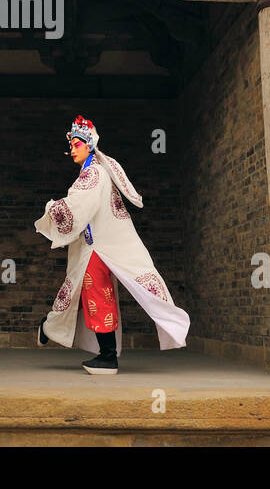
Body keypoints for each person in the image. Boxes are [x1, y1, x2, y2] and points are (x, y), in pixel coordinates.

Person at [34, 116, 190, 374]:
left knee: (95, 296)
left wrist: (52, 208)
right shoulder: (96, 171)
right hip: (96, 246)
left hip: (99, 248)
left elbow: (77, 204)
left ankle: (107, 357)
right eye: (71, 144)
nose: (72, 149)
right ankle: (53, 329)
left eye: (76, 144)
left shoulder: (94, 173)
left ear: (89, 146)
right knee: (80, 294)